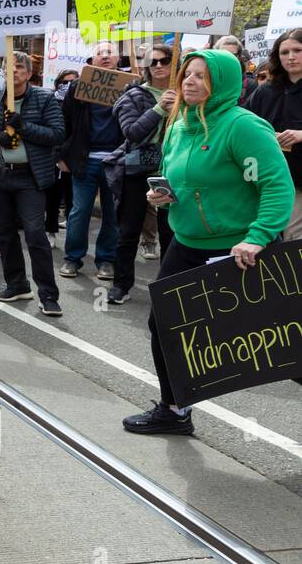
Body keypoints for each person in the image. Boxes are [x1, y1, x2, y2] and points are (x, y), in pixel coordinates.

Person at [125, 49, 293, 435]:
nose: (189, 81)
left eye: (201, 76)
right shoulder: (179, 121)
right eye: (187, 74)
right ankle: (174, 410)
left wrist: (258, 237)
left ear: (223, 83)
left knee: (271, 341)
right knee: (164, 325)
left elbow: (276, 185)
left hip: (238, 250)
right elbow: (174, 174)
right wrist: (163, 196)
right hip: (185, 243)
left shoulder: (243, 127)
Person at [0, 50, 66, 315]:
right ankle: (17, 285)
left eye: (20, 67)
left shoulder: (44, 99)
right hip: (0, 177)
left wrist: (24, 128)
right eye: (10, 66)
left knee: (34, 234)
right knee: (5, 233)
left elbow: (57, 134)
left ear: (29, 73)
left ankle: (48, 295)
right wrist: (0, 137)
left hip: (29, 178)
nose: (15, 71)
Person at [105, 43, 176, 304]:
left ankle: (170, 286)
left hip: (173, 171)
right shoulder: (133, 96)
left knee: (170, 231)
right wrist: (159, 110)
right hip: (137, 171)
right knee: (128, 231)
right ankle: (121, 285)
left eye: (164, 60)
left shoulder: (188, 93)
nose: (159, 65)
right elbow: (132, 133)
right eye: (153, 61)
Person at [58, 41, 124, 280]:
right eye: (99, 53)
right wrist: (61, 156)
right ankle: (72, 259)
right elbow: (63, 122)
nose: (105, 57)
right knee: (80, 210)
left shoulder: (129, 88)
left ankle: (106, 260)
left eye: (110, 53)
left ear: (118, 59)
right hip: (84, 160)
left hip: (116, 162)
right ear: (91, 60)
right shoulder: (77, 87)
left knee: (112, 213)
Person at [244, 29, 302, 240]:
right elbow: (245, 123)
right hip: (266, 176)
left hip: (298, 183)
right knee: (267, 238)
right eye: (284, 52)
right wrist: (265, 135)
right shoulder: (265, 90)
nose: (291, 57)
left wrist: (300, 135)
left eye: (297, 50)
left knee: (294, 239)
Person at [44, 69, 78, 247]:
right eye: (65, 82)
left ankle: (73, 233)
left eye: (73, 82)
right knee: (52, 196)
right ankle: (50, 229)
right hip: (53, 157)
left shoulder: (80, 104)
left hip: (74, 158)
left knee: (73, 198)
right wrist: (57, 156)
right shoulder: (50, 101)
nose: (68, 86)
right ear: (58, 84)